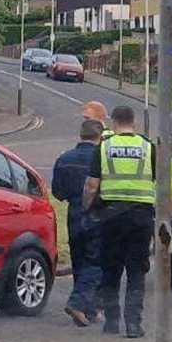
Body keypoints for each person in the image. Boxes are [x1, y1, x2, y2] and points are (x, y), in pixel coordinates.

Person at [83, 105, 155, 339]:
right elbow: (163, 185)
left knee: (111, 270)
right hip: (141, 218)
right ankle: (133, 324)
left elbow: (91, 186)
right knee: (136, 272)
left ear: (113, 123)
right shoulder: (148, 147)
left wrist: (87, 209)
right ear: (134, 123)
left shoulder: (104, 147)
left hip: (111, 217)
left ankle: (112, 321)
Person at [52, 118, 105, 326]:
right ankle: (78, 303)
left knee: (79, 260)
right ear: (99, 136)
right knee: (97, 261)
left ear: (81, 135)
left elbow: (57, 192)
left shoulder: (64, 158)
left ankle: (88, 310)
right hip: (97, 212)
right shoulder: (101, 158)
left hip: (73, 213)